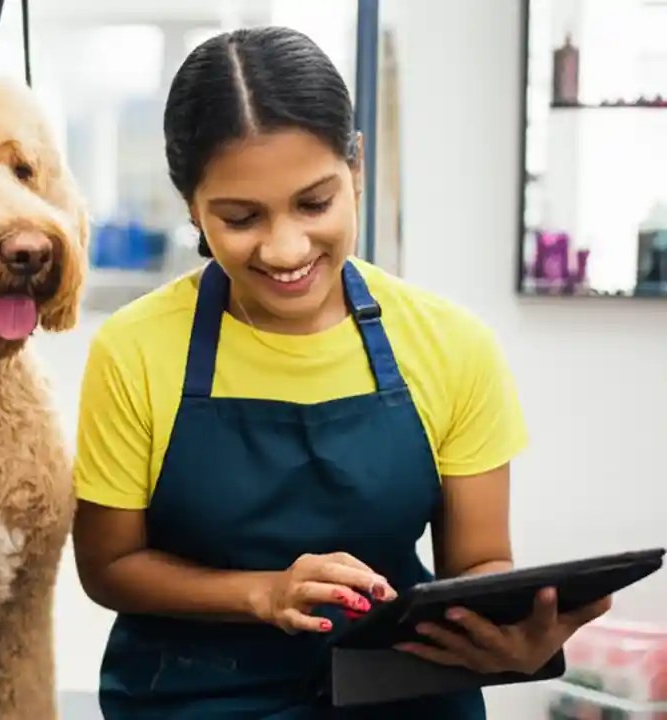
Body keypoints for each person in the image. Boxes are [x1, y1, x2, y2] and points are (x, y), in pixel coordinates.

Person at [71, 26, 610, 719]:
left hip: (403, 690)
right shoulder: (136, 349)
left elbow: (477, 562)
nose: (285, 248)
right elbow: (109, 567)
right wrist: (263, 593)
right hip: (195, 696)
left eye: (314, 203)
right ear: (191, 205)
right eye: (240, 218)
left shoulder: (451, 344)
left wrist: (509, 630)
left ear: (355, 166)